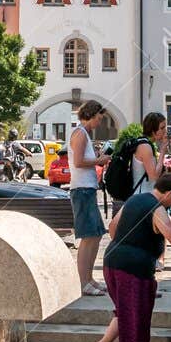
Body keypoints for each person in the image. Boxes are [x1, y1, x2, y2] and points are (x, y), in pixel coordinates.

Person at [94, 171, 171, 342]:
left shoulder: (135, 199)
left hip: (111, 261)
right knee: (139, 319)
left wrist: (126, 245)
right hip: (135, 270)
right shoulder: (157, 209)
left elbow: (113, 227)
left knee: (124, 311)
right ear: (168, 194)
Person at [68, 100, 108, 295]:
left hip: (87, 189)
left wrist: (97, 159)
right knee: (88, 236)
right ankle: (83, 281)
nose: (99, 123)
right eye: (99, 118)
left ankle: (89, 278)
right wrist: (99, 161)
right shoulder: (80, 133)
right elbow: (78, 161)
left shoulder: (83, 134)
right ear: (91, 115)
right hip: (82, 189)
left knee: (96, 234)